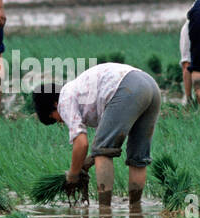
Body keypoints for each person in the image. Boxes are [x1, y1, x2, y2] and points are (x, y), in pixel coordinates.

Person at [32, 62, 161, 208]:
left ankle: (104, 211)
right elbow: (110, 138)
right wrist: (86, 163)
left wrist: (72, 175)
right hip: (149, 85)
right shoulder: (79, 90)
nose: (61, 121)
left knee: (102, 152)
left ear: (55, 104)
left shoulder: (64, 99)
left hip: (126, 87)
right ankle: (135, 209)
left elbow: (82, 143)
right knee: (137, 158)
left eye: (55, 118)